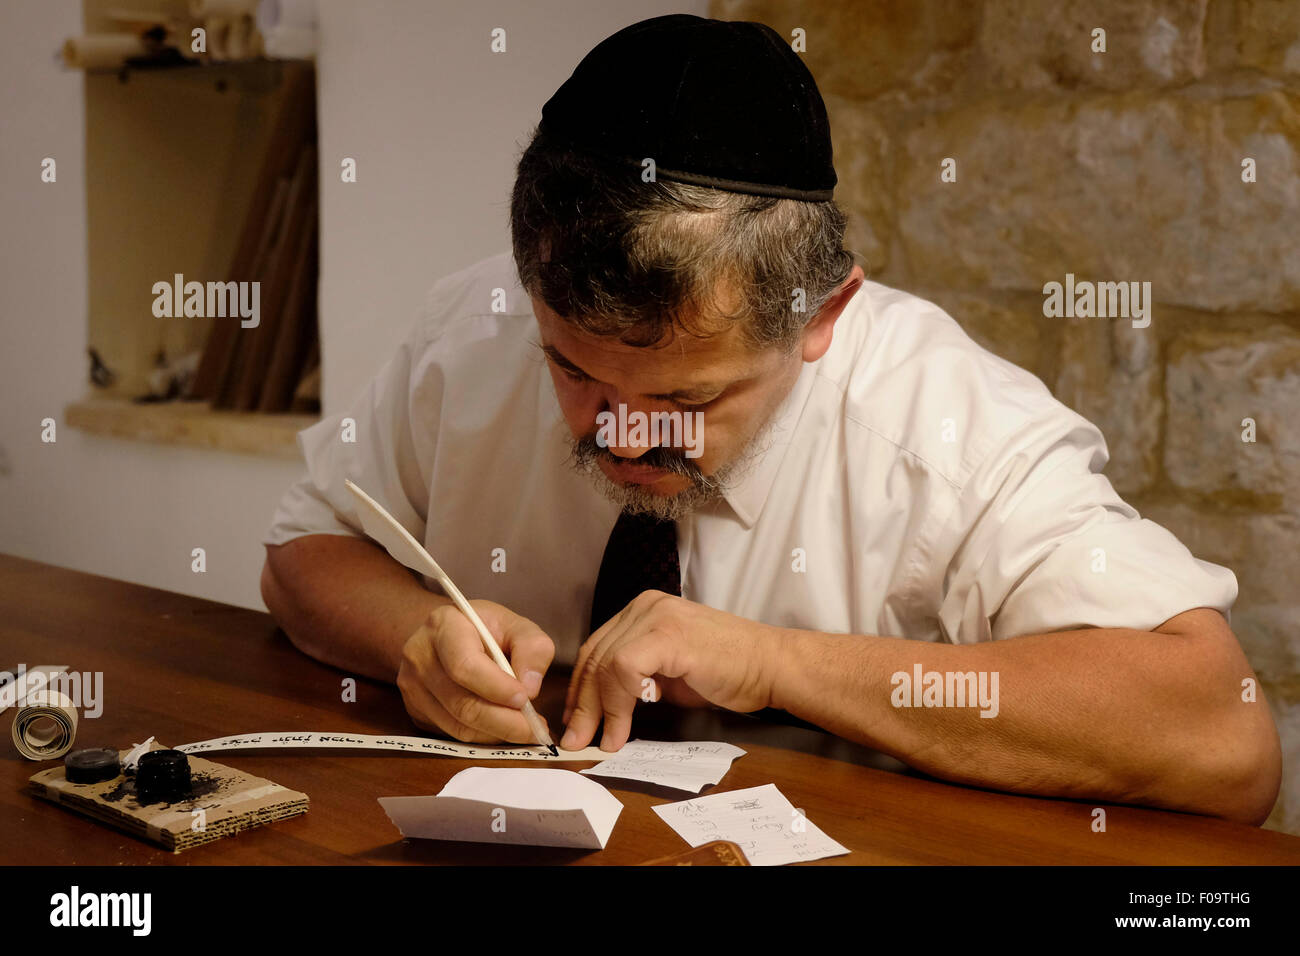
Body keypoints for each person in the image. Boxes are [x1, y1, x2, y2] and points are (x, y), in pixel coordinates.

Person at [261, 14, 1281, 824]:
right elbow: (302, 551)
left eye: (687, 398)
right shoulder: (470, 329)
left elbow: (1223, 738)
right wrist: (416, 637)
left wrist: (772, 660)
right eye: (572, 372)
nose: (623, 435)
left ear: (821, 314)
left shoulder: (944, 424)